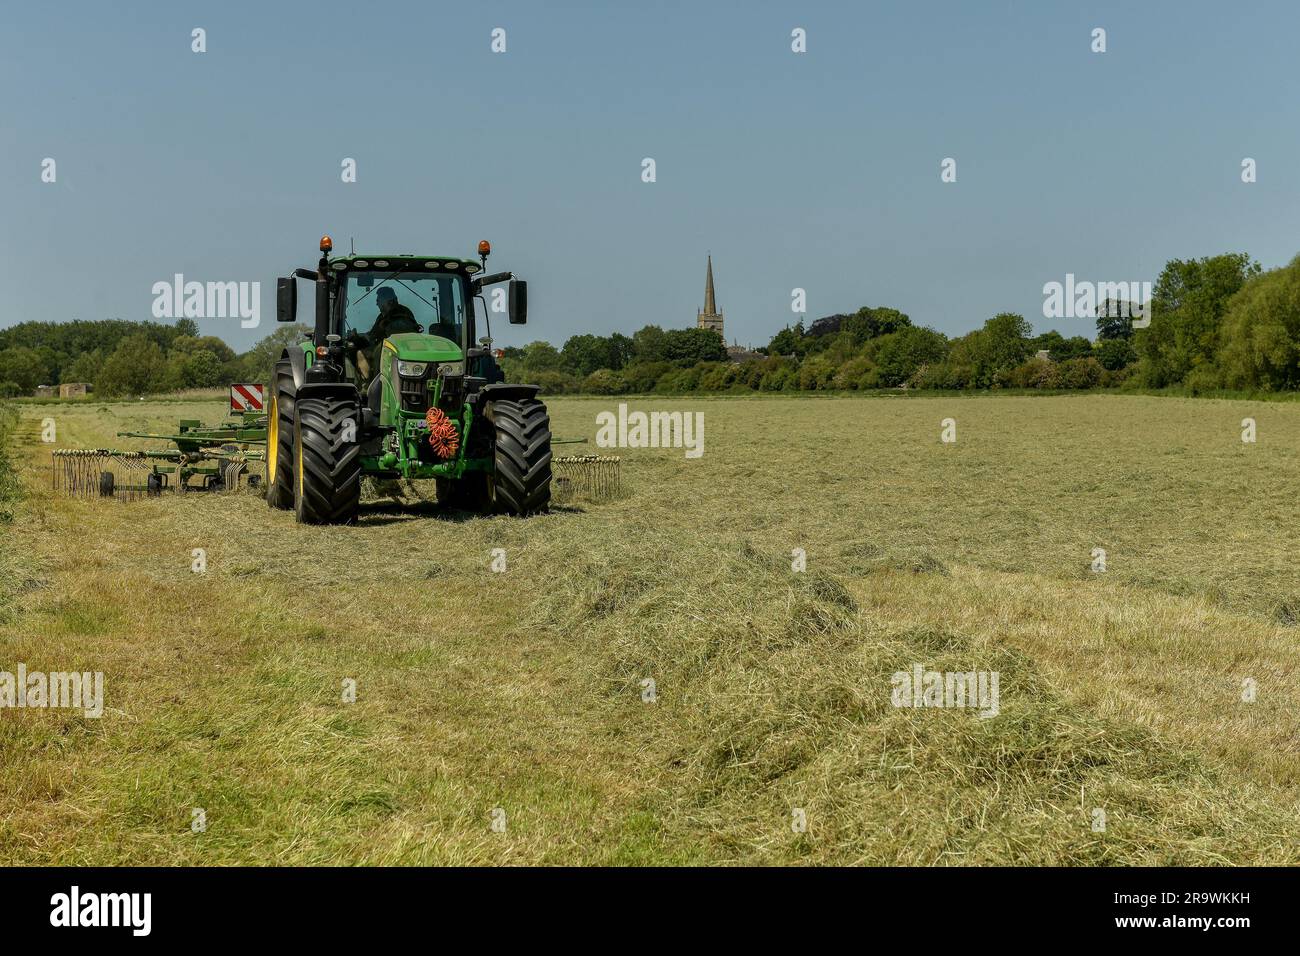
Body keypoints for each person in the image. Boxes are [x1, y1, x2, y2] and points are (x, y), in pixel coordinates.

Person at [354, 286, 419, 382]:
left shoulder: (398, 315)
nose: (376, 303)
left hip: (395, 347)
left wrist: (358, 337)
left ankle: (374, 383)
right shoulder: (386, 315)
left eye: (379, 300)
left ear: (389, 302)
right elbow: (372, 334)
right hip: (402, 347)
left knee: (367, 353)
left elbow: (374, 335)